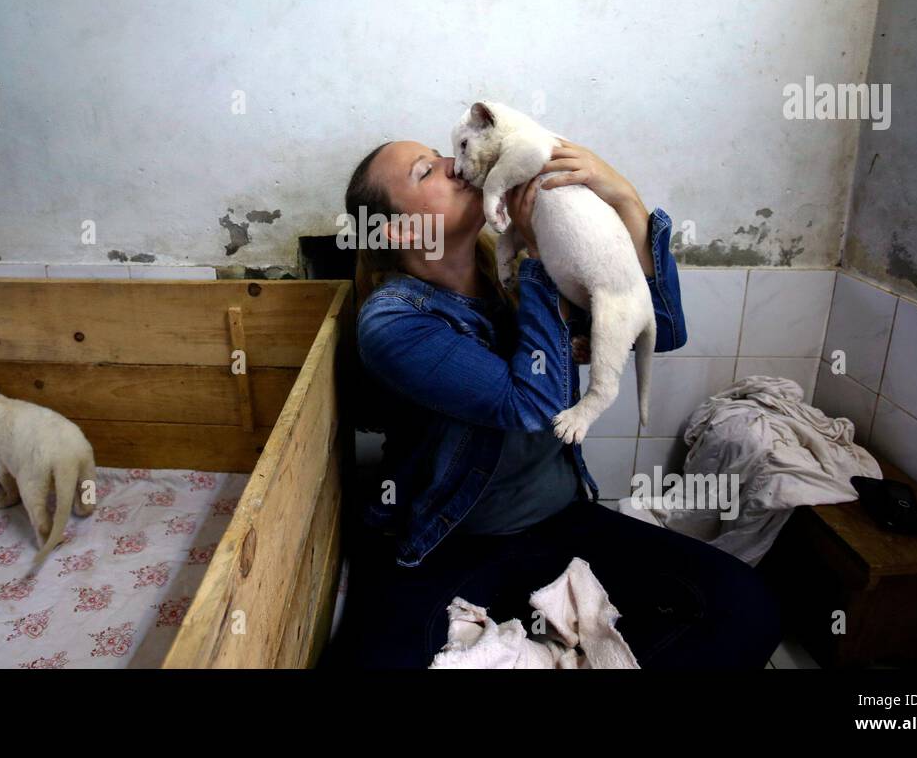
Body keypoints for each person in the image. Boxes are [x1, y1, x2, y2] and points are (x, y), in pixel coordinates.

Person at [324, 136, 782, 668]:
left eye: (442, 156)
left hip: (558, 521)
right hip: (450, 541)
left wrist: (626, 202)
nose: (454, 164)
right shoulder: (394, 320)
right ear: (401, 230)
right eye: (427, 171)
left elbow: (662, 331)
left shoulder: (512, 274)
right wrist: (537, 252)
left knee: (745, 607)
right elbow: (530, 405)